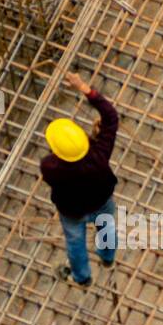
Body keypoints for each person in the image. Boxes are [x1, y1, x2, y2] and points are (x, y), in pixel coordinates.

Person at [40, 72, 120, 286]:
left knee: (75, 243)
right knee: (107, 229)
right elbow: (111, 117)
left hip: (72, 212)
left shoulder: (50, 167)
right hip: (102, 201)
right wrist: (83, 87)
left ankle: (82, 278)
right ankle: (108, 259)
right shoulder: (99, 154)